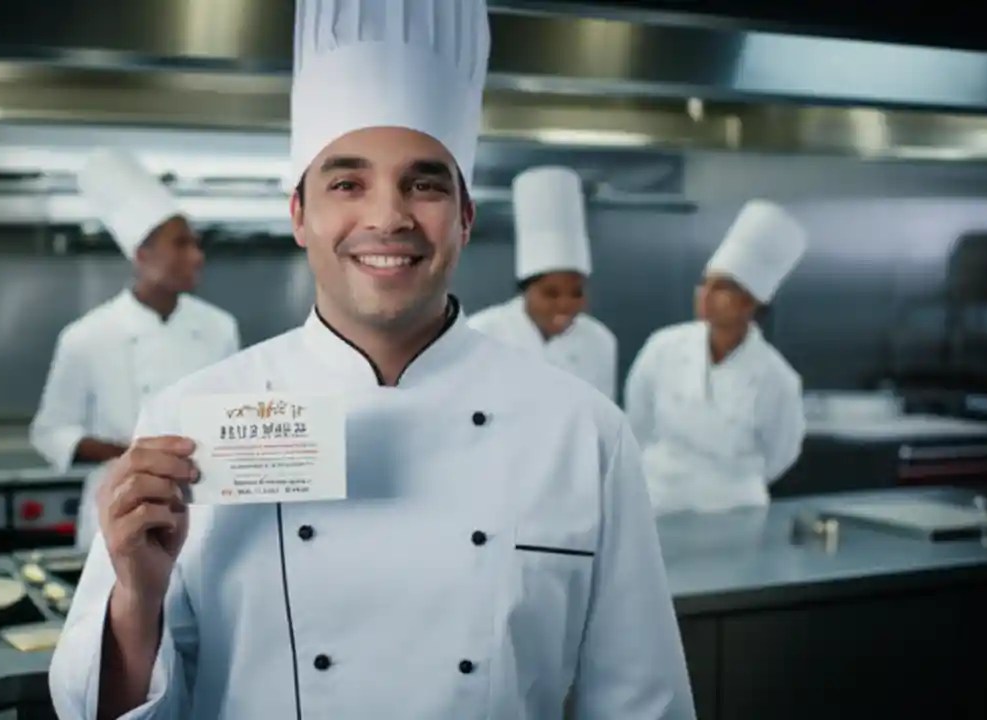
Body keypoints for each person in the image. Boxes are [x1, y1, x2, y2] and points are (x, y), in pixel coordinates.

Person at [49, 1, 694, 718]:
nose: (388, 218)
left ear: (466, 217)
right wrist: (138, 600)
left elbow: (643, 702)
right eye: (347, 183)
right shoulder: (186, 421)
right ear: (299, 215)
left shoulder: (584, 436)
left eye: (424, 183)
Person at [30, 150, 240, 550]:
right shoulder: (88, 336)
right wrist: (135, 454)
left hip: (205, 509)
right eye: (181, 245)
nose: (197, 256)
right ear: (142, 255)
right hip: (118, 507)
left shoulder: (219, 328)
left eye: (196, 244)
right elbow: (50, 432)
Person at [624, 200, 807, 515]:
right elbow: (636, 422)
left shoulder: (777, 378)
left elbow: (781, 454)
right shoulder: (663, 347)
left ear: (750, 302)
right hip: (658, 504)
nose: (705, 295)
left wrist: (728, 484)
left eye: (722, 287)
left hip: (734, 512)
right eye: (704, 282)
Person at [469, 166, 618, 400]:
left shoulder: (599, 341)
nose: (565, 304)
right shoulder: (481, 332)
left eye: (576, 293)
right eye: (551, 293)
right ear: (526, 291)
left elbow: (603, 419)